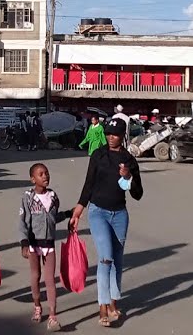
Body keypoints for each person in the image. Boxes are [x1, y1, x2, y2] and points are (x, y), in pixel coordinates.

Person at [70, 118, 143, 327]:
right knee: (106, 258)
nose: (111, 137)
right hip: (98, 212)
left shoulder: (129, 160)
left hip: (119, 215)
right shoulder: (98, 155)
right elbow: (89, 183)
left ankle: (113, 302)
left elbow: (138, 194)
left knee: (117, 261)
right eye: (109, 134)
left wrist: (129, 176)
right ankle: (102, 305)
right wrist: (79, 207)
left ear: (122, 136)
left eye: (116, 134)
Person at [19, 163, 62, 332]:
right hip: (33, 243)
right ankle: (37, 306)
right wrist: (24, 242)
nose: (45, 176)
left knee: (50, 279)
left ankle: (52, 315)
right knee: (35, 276)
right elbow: (23, 222)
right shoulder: (28, 197)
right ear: (33, 179)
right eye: (41, 174)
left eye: (47, 173)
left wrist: (67, 214)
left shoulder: (53, 197)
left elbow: (52, 219)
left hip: (49, 243)